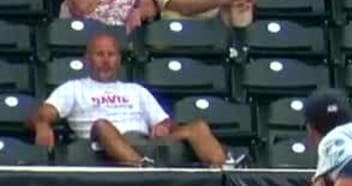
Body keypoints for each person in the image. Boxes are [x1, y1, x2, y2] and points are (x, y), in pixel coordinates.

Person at [28, 32, 241, 167]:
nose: (105, 60)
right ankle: (141, 170)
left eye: (111, 54)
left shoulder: (135, 90)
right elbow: (43, 114)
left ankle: (224, 172)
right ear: (87, 59)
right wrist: (42, 124)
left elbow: (163, 122)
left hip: (145, 142)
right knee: (102, 124)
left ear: (119, 59)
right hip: (102, 145)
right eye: (99, 54)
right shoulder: (74, 88)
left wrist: (164, 126)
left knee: (198, 127)